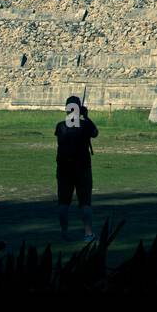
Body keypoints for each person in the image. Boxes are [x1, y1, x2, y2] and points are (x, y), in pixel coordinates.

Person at [54, 95, 98, 242]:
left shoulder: (60, 126)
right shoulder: (85, 125)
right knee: (85, 202)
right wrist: (85, 116)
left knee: (63, 203)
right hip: (82, 168)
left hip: (64, 168)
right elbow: (95, 133)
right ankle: (88, 232)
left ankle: (64, 233)